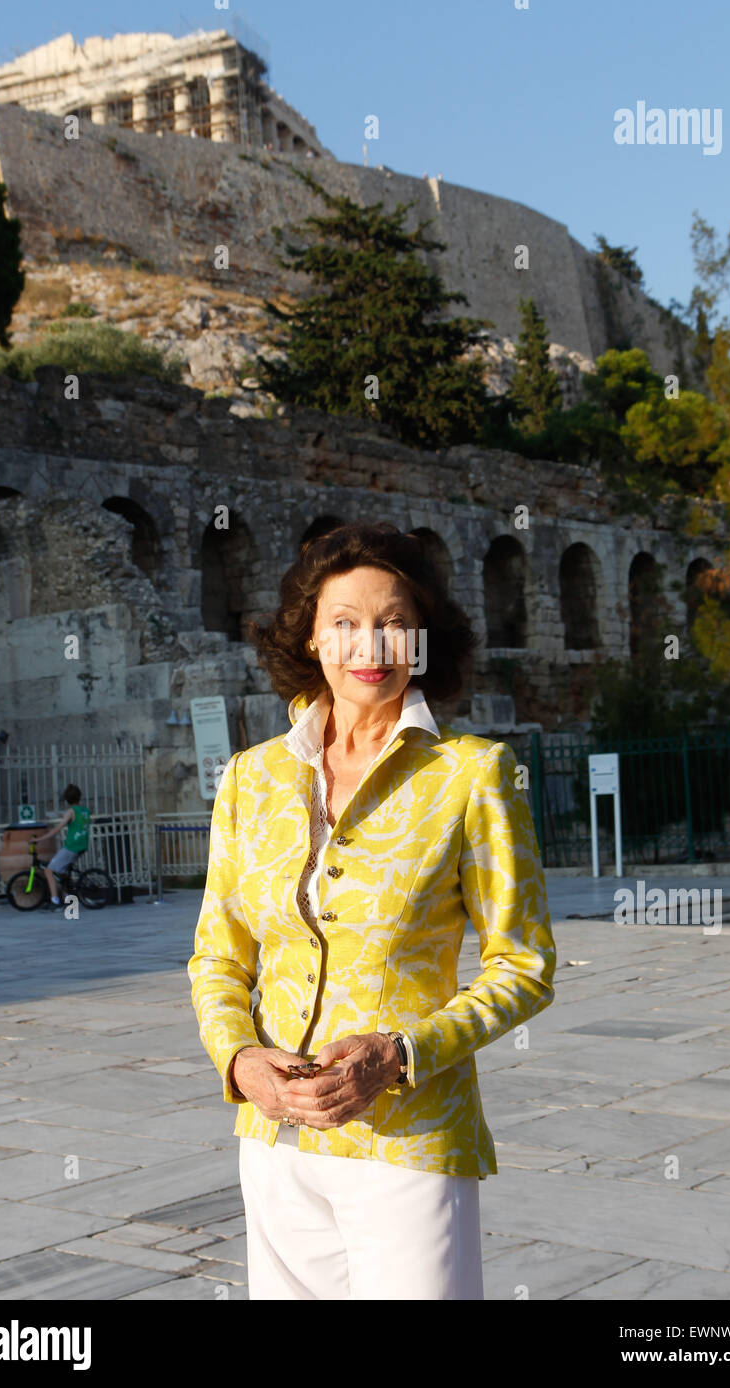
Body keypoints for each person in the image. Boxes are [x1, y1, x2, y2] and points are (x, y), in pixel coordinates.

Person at [188, 522, 556, 1300]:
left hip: (412, 1145)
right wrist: (239, 1061)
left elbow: (523, 965)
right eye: (346, 622)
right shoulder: (251, 779)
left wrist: (398, 1053)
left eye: (394, 622)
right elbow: (219, 956)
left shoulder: (472, 775)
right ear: (311, 638)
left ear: (422, 640)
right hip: (275, 1141)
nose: (373, 644)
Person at [36, 783, 91, 909]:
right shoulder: (85, 811)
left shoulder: (70, 812)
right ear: (79, 796)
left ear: (66, 799)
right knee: (61, 871)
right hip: (82, 845)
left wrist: (41, 838)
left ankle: (55, 901)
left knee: (49, 870)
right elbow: (77, 822)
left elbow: (57, 829)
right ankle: (67, 895)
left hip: (72, 846)